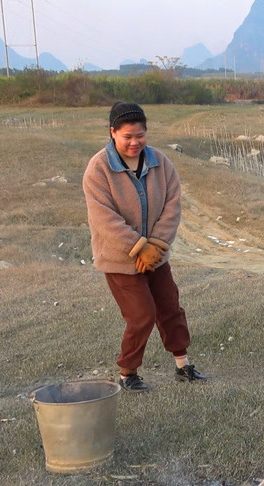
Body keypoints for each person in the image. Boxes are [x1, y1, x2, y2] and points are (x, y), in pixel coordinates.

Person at [83, 101, 206, 391]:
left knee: (170, 308)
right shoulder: (98, 168)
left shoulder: (160, 163)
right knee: (142, 315)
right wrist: (139, 246)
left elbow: (172, 204)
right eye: (127, 136)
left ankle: (183, 365)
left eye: (140, 135)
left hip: (156, 257)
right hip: (119, 260)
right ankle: (128, 373)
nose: (135, 142)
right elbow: (103, 218)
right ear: (113, 133)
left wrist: (157, 245)